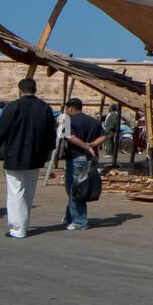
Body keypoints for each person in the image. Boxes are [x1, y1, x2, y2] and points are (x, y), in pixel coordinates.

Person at [0, 78, 57, 239]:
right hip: (35, 156)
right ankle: (23, 224)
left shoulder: (13, 107)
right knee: (28, 192)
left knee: (15, 192)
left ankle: (17, 228)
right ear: (35, 89)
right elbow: (50, 133)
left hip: (15, 155)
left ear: (19, 90)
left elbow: (1, 130)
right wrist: (49, 151)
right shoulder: (44, 107)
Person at [60, 97, 105, 229]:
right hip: (91, 158)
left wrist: (85, 146)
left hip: (76, 158)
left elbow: (70, 137)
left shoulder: (68, 121)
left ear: (71, 108)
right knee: (74, 189)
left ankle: (80, 221)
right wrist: (92, 144)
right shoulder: (93, 121)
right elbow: (104, 136)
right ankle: (70, 217)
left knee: (75, 190)